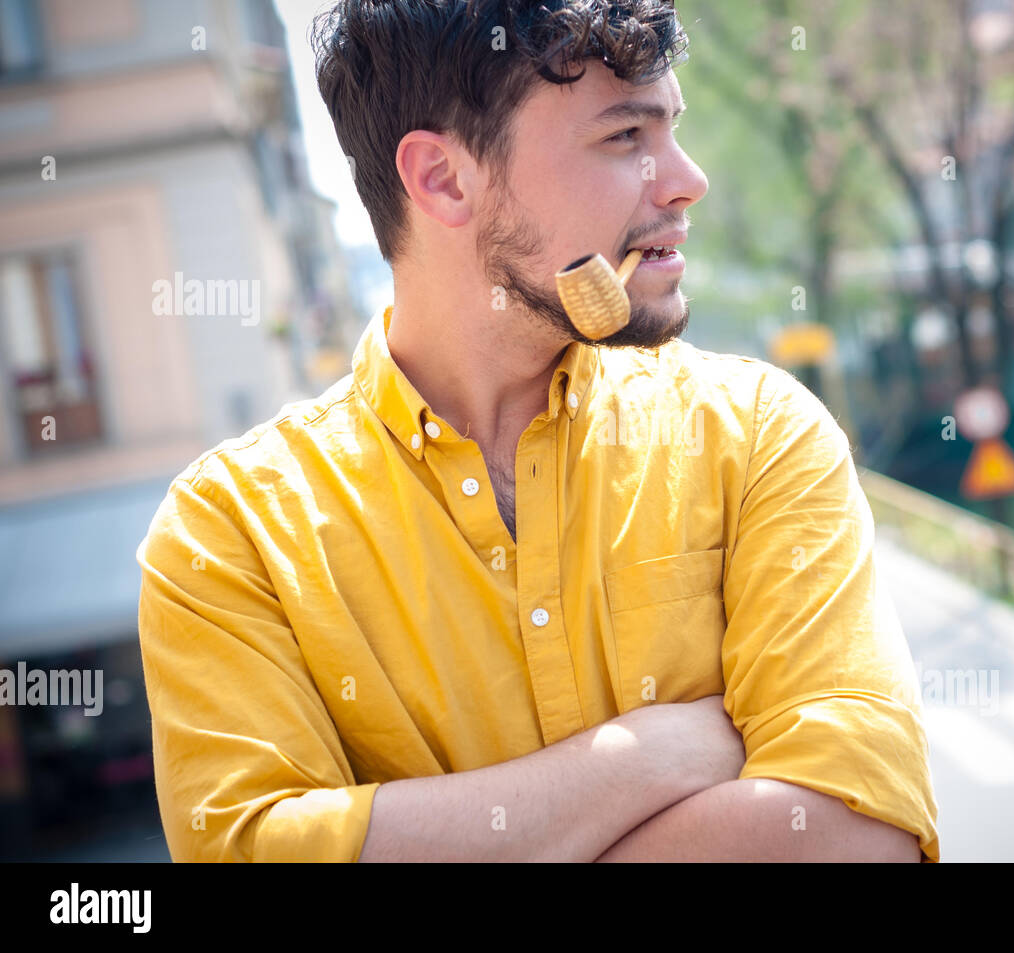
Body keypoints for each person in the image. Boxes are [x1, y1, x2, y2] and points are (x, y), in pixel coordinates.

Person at [135, 0, 939, 863]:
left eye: (671, 128)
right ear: (444, 179)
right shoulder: (227, 538)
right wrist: (645, 762)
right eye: (625, 136)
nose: (685, 179)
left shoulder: (756, 435)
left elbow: (859, 833)